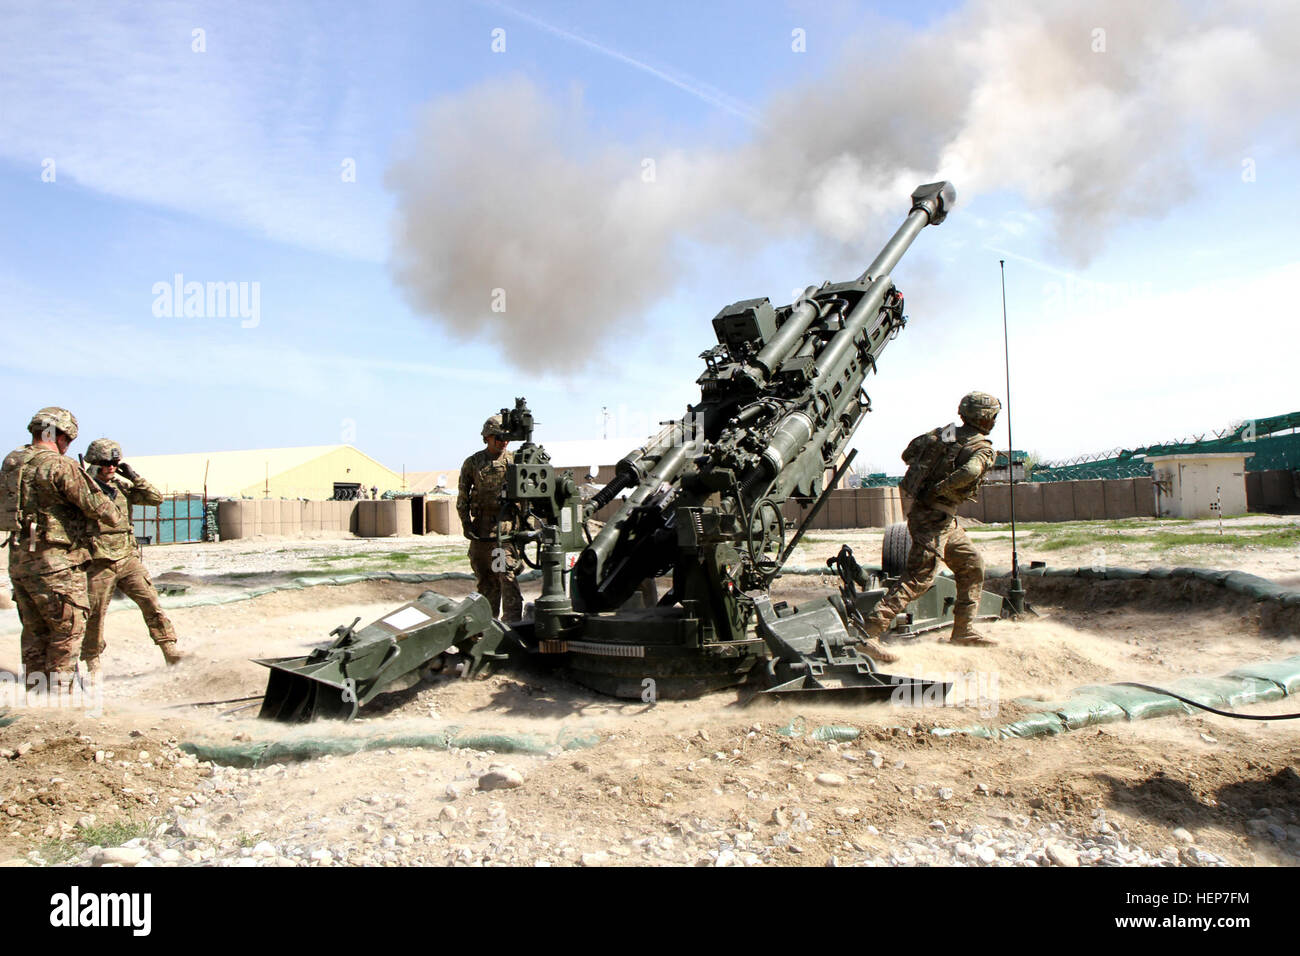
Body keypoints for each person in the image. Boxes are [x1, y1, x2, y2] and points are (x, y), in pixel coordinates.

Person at [861, 391, 1003, 652]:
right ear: (985, 418)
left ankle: (964, 630)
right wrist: (944, 487)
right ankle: (868, 632)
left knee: (972, 566)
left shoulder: (942, 434)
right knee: (919, 578)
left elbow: (908, 454)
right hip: (934, 519)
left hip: (942, 520)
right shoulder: (981, 447)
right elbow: (971, 471)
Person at [1, 408, 116, 693]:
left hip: (19, 563)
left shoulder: (12, 462)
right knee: (66, 634)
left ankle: (37, 702)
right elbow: (104, 511)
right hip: (57, 567)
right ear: (61, 435)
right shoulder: (60, 466)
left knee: (35, 636)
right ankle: (59, 706)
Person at [80, 439, 182, 672]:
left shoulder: (120, 486)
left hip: (127, 557)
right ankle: (92, 661)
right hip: (98, 561)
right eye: (106, 463)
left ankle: (169, 649)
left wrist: (134, 477)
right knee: (94, 614)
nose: (111, 468)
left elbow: (155, 498)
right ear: (94, 463)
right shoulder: (81, 488)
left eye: (115, 463)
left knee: (151, 602)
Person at [456, 415, 523, 622]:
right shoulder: (473, 463)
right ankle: (488, 626)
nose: (503, 442)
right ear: (487, 437)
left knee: (507, 577)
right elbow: (463, 496)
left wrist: (525, 526)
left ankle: (512, 626)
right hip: (481, 531)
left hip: (505, 532)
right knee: (486, 582)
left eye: (506, 438)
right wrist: (466, 524)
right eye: (499, 438)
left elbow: (527, 496)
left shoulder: (514, 462)